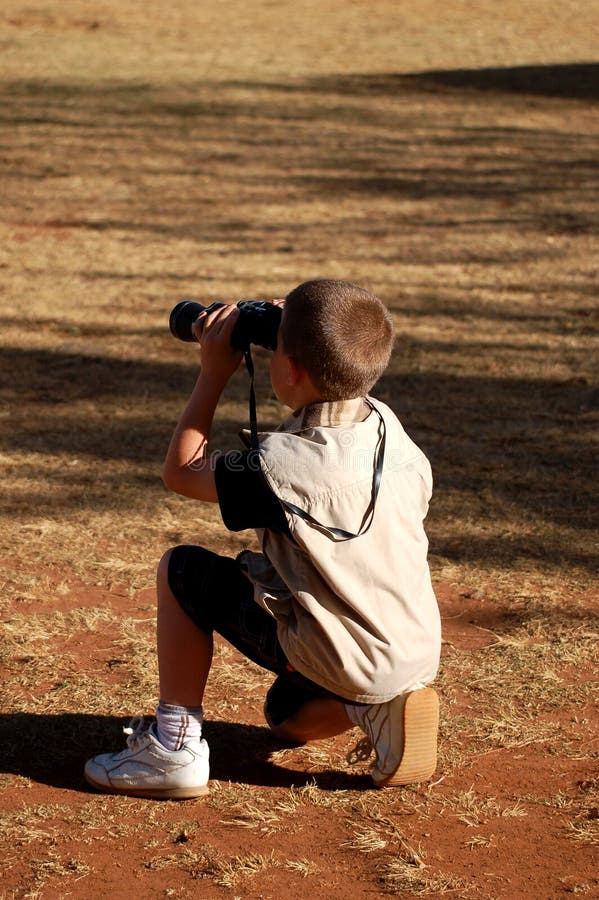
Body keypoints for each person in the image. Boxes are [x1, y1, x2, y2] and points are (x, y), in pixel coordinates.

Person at [84, 279, 442, 799]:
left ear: (290, 368)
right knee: (284, 714)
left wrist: (212, 374)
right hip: (409, 650)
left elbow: (181, 472)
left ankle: (173, 748)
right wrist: (296, 329)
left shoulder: (278, 468)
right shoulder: (387, 425)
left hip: (342, 655)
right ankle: (376, 708)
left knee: (183, 571)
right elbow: (330, 377)